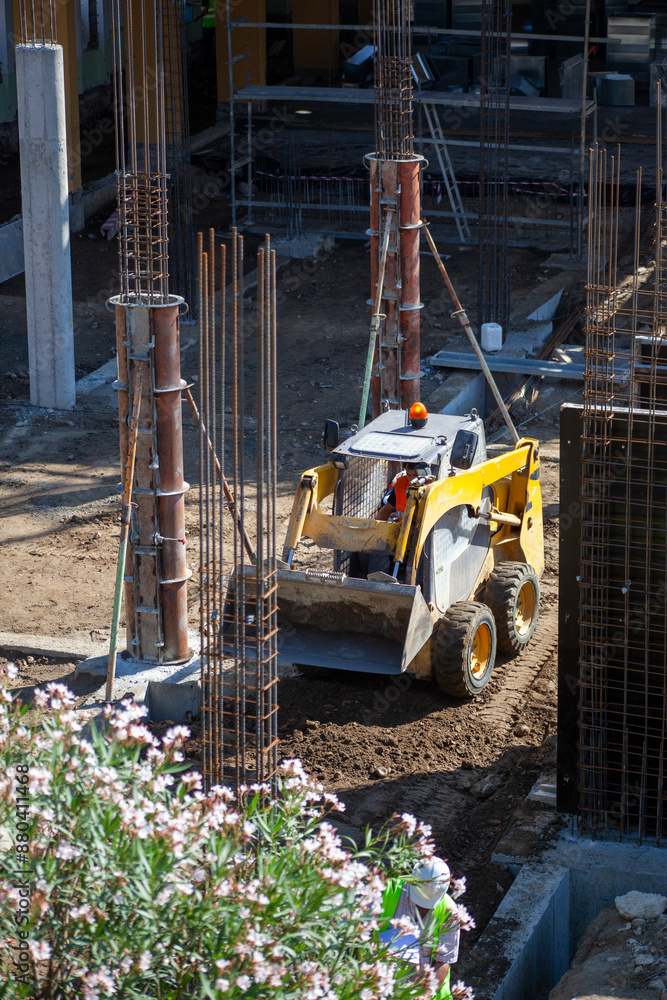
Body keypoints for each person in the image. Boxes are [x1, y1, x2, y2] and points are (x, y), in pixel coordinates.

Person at [380, 857, 460, 1000]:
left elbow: (443, 960)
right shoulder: (389, 890)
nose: (421, 907)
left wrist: (426, 994)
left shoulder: (449, 912)